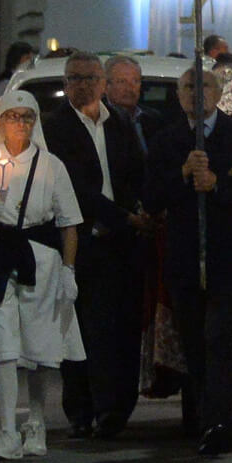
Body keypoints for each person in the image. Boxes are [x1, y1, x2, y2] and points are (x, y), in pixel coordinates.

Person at [144, 68, 232, 456]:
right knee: (194, 342)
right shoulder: (167, 140)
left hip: (231, 259)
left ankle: (219, 422)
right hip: (186, 259)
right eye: (189, 87)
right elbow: (152, 197)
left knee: (218, 337)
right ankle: (200, 414)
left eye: (204, 85)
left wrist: (219, 185)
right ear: (179, 94)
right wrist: (183, 175)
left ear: (219, 92)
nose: (197, 93)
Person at [0, 90, 83, 460]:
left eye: (27, 117)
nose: (21, 124)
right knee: (4, 347)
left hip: (39, 262)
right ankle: (7, 431)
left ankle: (37, 420)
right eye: (13, 117)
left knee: (38, 346)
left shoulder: (51, 165)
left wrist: (68, 270)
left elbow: (69, 223)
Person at [41, 53, 150, 440]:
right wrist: (123, 216)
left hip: (120, 244)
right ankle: (83, 411)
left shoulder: (117, 123)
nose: (81, 85)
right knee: (81, 332)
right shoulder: (55, 128)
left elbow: (137, 173)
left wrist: (141, 210)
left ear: (103, 82)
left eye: (89, 77)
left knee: (120, 330)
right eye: (73, 78)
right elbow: (74, 188)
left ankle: (117, 408)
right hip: (81, 241)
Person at [105, 55, 164, 155]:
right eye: (122, 81)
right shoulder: (99, 120)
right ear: (106, 86)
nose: (129, 88)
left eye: (135, 81)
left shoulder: (153, 119)